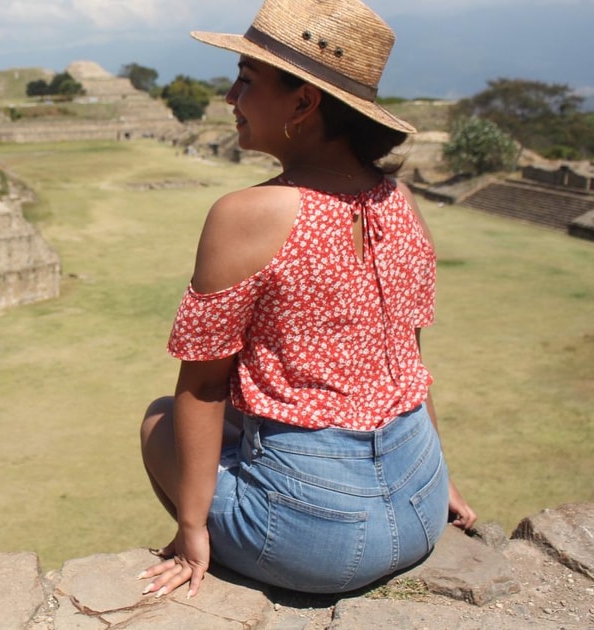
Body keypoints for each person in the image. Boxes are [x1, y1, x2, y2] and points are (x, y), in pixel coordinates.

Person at [137, 0, 477, 600]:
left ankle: (209, 543)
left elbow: (204, 386)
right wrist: (437, 478)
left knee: (159, 418)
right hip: (422, 504)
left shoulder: (247, 214)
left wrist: (191, 529)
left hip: (315, 543)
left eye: (246, 79)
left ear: (303, 103)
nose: (230, 97)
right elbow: (406, 364)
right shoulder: (399, 201)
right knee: (245, 416)